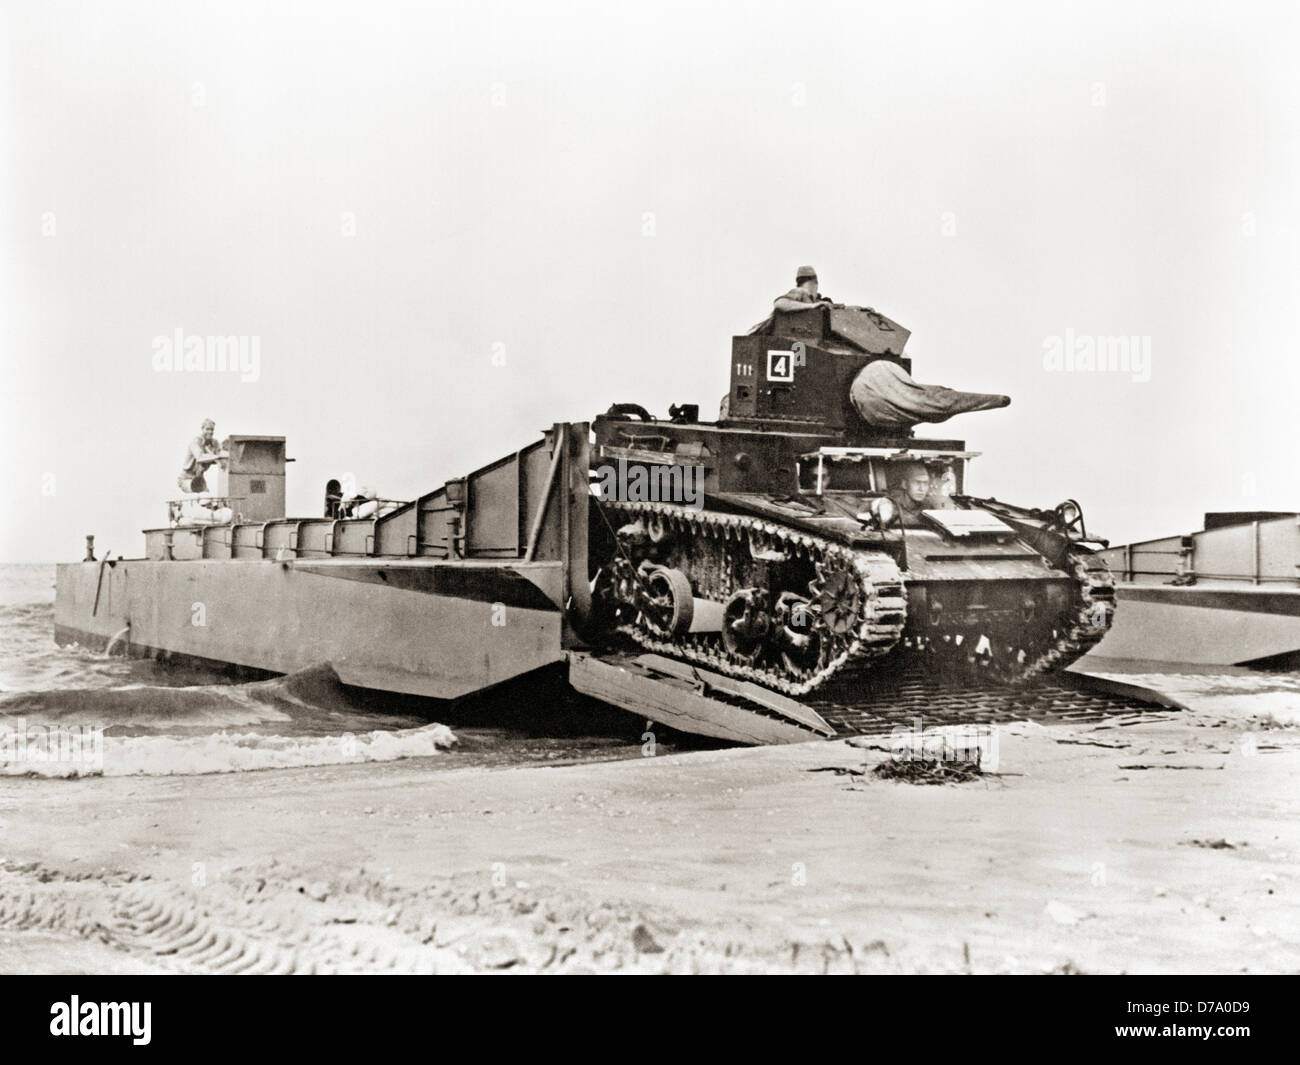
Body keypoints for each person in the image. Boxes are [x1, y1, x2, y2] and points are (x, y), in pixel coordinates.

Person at [177, 418, 223, 494]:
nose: (210, 432)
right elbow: (200, 457)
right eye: (207, 429)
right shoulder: (196, 442)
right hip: (186, 478)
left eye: (212, 430)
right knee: (203, 496)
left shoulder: (214, 443)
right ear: (202, 429)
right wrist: (216, 457)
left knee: (211, 502)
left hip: (199, 478)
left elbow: (222, 452)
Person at [887, 462, 933, 527]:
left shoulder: (928, 506)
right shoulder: (891, 505)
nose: (921, 489)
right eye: (917, 483)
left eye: (925, 483)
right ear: (904, 484)